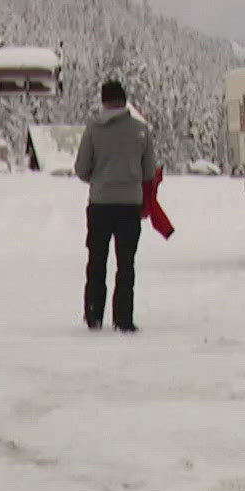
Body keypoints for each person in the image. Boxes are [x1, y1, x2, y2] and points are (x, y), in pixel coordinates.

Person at [73, 79, 158, 332]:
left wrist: (99, 179)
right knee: (126, 264)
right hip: (129, 204)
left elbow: (80, 169)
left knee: (97, 260)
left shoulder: (93, 129)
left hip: (99, 204)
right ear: (124, 101)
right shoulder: (140, 130)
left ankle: (94, 315)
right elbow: (149, 171)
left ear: (103, 101)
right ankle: (123, 319)